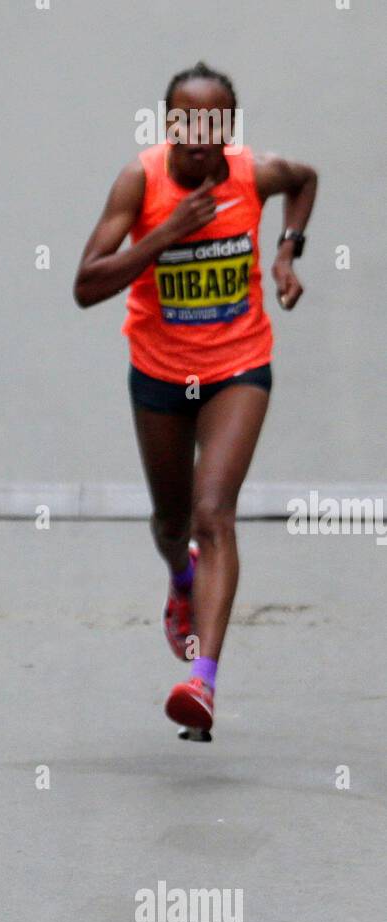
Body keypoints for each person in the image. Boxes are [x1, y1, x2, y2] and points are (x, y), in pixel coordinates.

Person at [73, 62, 317, 736]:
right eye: (187, 120)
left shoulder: (254, 173)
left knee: (215, 513)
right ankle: (181, 580)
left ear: (230, 129)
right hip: (159, 371)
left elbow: (305, 180)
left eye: (216, 123)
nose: (201, 136)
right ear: (168, 123)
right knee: (172, 523)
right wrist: (164, 235)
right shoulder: (141, 180)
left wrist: (288, 252)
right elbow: (86, 284)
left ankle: (201, 683)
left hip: (239, 366)